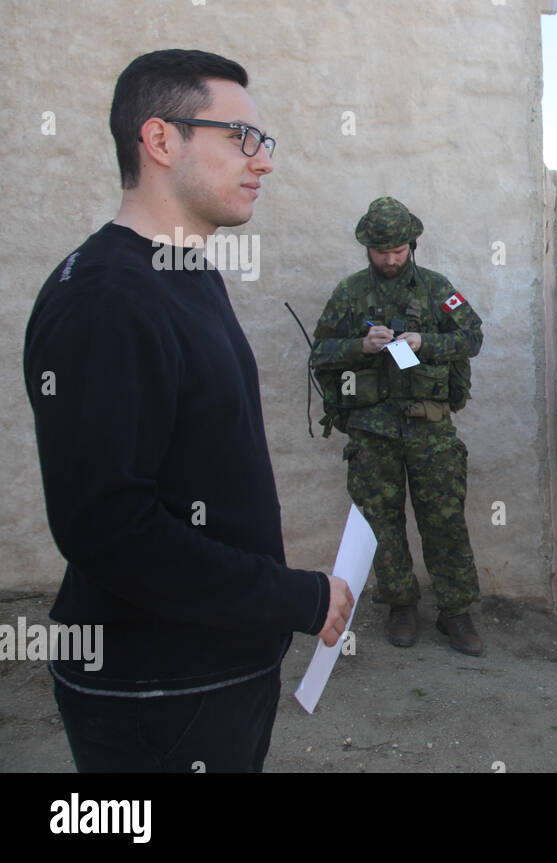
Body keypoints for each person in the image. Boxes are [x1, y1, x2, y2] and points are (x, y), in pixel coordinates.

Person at [23, 49, 353, 773]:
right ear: (161, 140)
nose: (262, 161)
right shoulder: (106, 300)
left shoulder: (184, 274)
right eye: (241, 138)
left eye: (264, 142)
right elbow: (110, 529)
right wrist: (294, 597)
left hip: (211, 671)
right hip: (160, 694)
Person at [310, 198, 484, 654]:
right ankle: (401, 604)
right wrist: (360, 346)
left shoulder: (437, 288)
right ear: (367, 247)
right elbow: (319, 354)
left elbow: (472, 336)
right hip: (372, 433)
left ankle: (455, 611)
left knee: (445, 522)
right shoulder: (349, 294)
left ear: (413, 244)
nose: (390, 259)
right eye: (381, 251)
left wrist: (425, 341)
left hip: (431, 430)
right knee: (381, 526)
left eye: (399, 250)